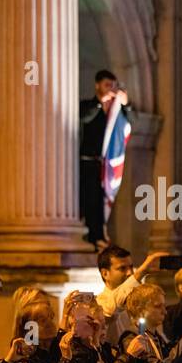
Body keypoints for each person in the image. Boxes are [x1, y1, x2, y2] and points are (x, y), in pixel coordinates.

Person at [79, 69, 132, 248]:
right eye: (107, 85)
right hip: (91, 162)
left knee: (105, 199)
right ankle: (94, 235)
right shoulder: (90, 105)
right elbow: (83, 117)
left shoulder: (118, 111)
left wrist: (126, 104)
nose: (110, 89)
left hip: (108, 165)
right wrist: (101, 104)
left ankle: (101, 234)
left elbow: (130, 123)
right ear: (98, 85)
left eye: (113, 86)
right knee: (91, 199)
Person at [96, 244, 167, 347]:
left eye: (131, 267)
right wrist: (140, 273)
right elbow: (112, 307)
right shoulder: (100, 302)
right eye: (122, 268)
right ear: (105, 273)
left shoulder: (138, 300)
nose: (129, 273)